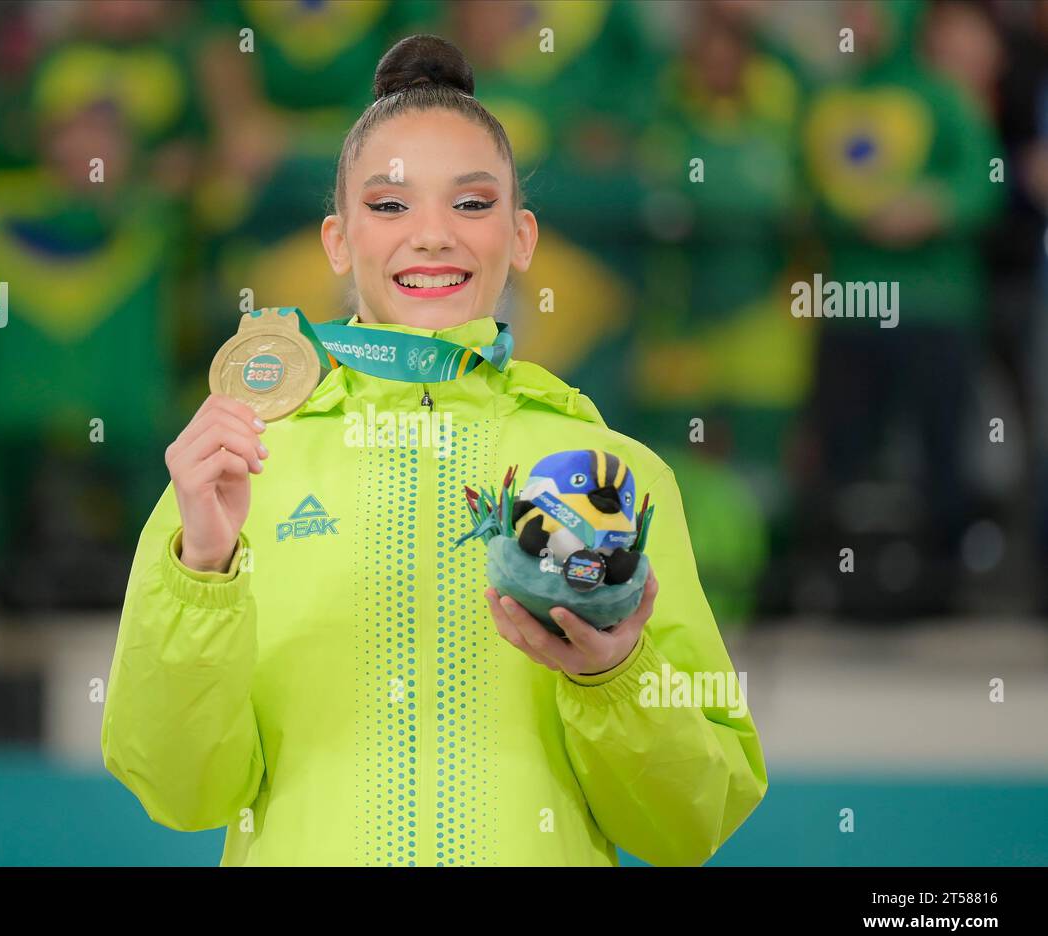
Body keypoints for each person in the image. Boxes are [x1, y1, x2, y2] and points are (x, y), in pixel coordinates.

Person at [101, 35, 766, 867]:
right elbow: (178, 790)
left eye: (472, 204)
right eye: (388, 206)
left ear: (522, 238)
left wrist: (618, 671)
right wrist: (201, 568)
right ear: (338, 242)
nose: (432, 236)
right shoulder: (241, 464)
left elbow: (692, 823)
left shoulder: (612, 476)